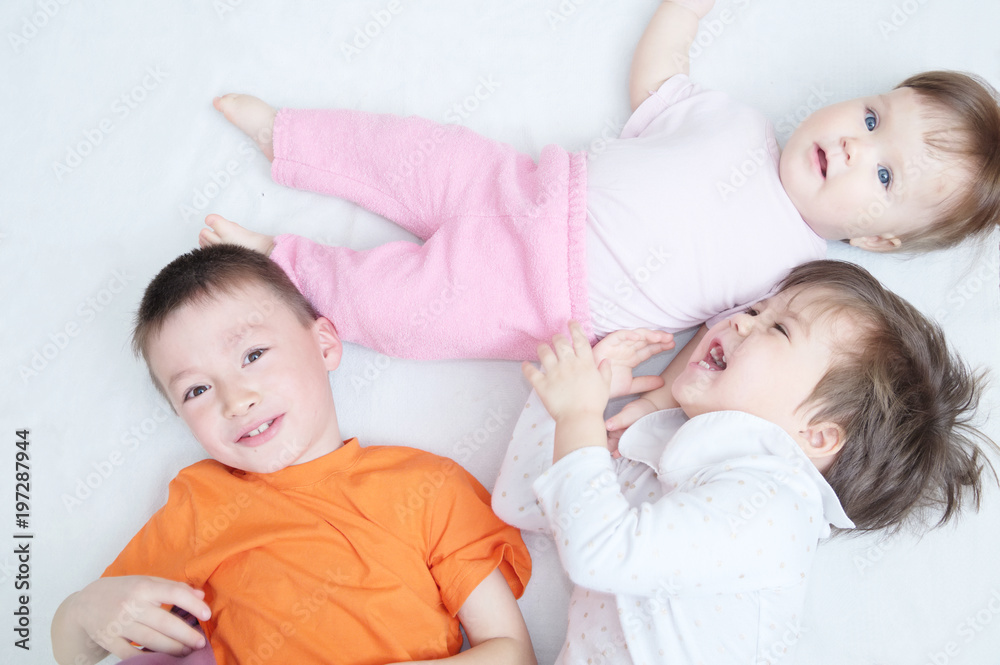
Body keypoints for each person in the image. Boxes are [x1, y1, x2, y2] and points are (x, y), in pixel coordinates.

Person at [198, 0, 999, 363]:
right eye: (869, 119)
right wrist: (684, 14)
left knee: (403, 312)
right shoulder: (736, 121)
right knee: (413, 151)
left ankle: (283, 263)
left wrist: (643, 396)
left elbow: (728, 349)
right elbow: (659, 82)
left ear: (876, 239)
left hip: (543, 299)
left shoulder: (797, 276)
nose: (857, 148)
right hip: (523, 187)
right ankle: (291, 135)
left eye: (885, 173)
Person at [49, 245, 536, 665]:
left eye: (253, 355)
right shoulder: (201, 506)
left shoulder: (428, 486)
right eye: (197, 389)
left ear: (324, 345)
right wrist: (79, 612)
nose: (235, 400)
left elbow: (510, 651)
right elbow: (80, 650)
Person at [493, 260, 995, 664]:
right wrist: (569, 397)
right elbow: (524, 500)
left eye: (777, 329)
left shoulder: (773, 506)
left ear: (817, 434)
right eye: (758, 309)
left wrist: (579, 411)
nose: (739, 320)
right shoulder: (672, 464)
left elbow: (597, 552)